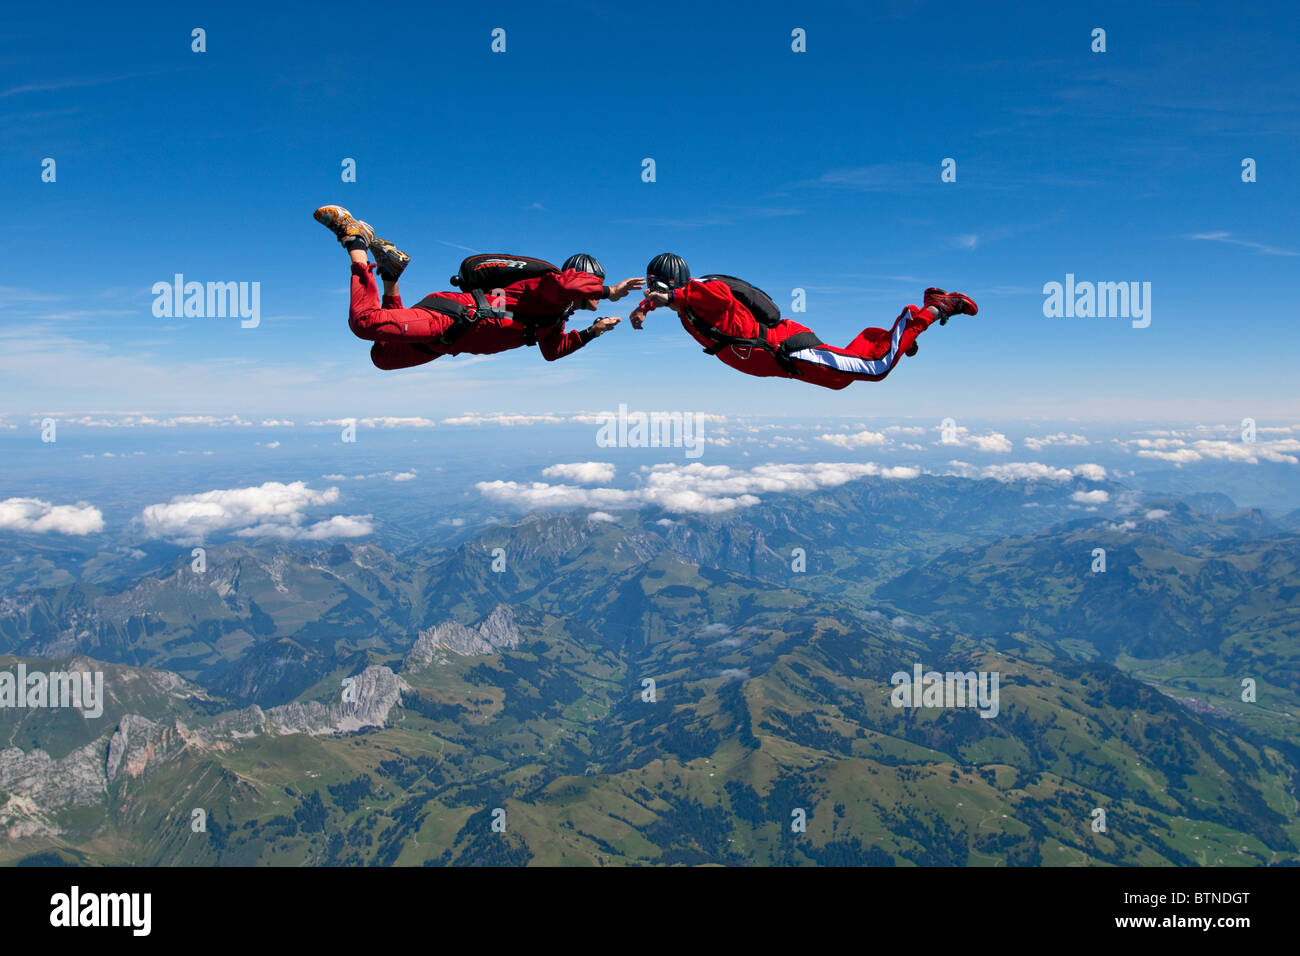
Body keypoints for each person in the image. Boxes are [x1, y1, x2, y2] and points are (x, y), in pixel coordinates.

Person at [314, 205, 643, 370]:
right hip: (450, 317)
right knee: (364, 324)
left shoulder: (553, 318)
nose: (596, 295)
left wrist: (594, 332)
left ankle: (391, 273)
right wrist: (609, 291)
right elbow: (566, 282)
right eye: (592, 285)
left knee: (382, 356)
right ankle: (354, 238)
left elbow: (552, 352)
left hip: (443, 342)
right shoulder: (547, 289)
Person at [629, 253, 978, 391]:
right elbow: (677, 300)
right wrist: (645, 308)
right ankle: (892, 338)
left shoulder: (704, 293)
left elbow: (713, 297)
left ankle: (931, 310)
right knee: (841, 382)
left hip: (785, 348)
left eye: (656, 289)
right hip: (777, 359)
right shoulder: (683, 304)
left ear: (675, 285)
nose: (653, 293)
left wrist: (671, 297)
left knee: (875, 369)